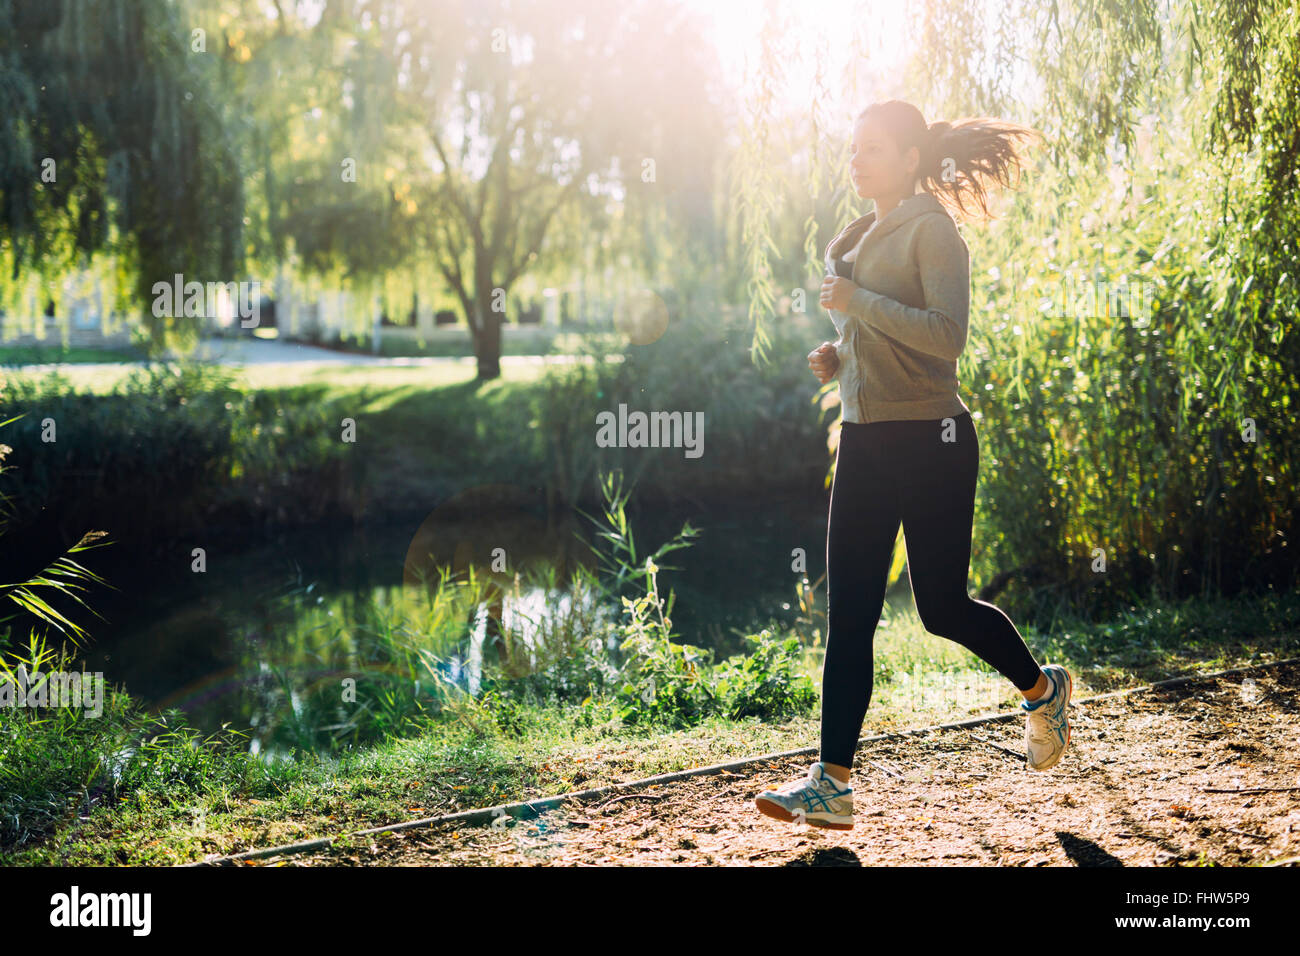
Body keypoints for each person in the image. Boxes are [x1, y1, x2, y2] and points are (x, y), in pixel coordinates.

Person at [755, 100, 1071, 832]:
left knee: (940, 608)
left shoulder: (934, 232)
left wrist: (858, 303)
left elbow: (947, 338)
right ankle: (833, 784)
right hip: (864, 439)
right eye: (852, 147)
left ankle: (1040, 688)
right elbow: (876, 337)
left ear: (909, 158)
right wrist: (838, 357)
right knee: (852, 616)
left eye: (871, 148)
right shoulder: (860, 235)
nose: (856, 159)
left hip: (934, 442)